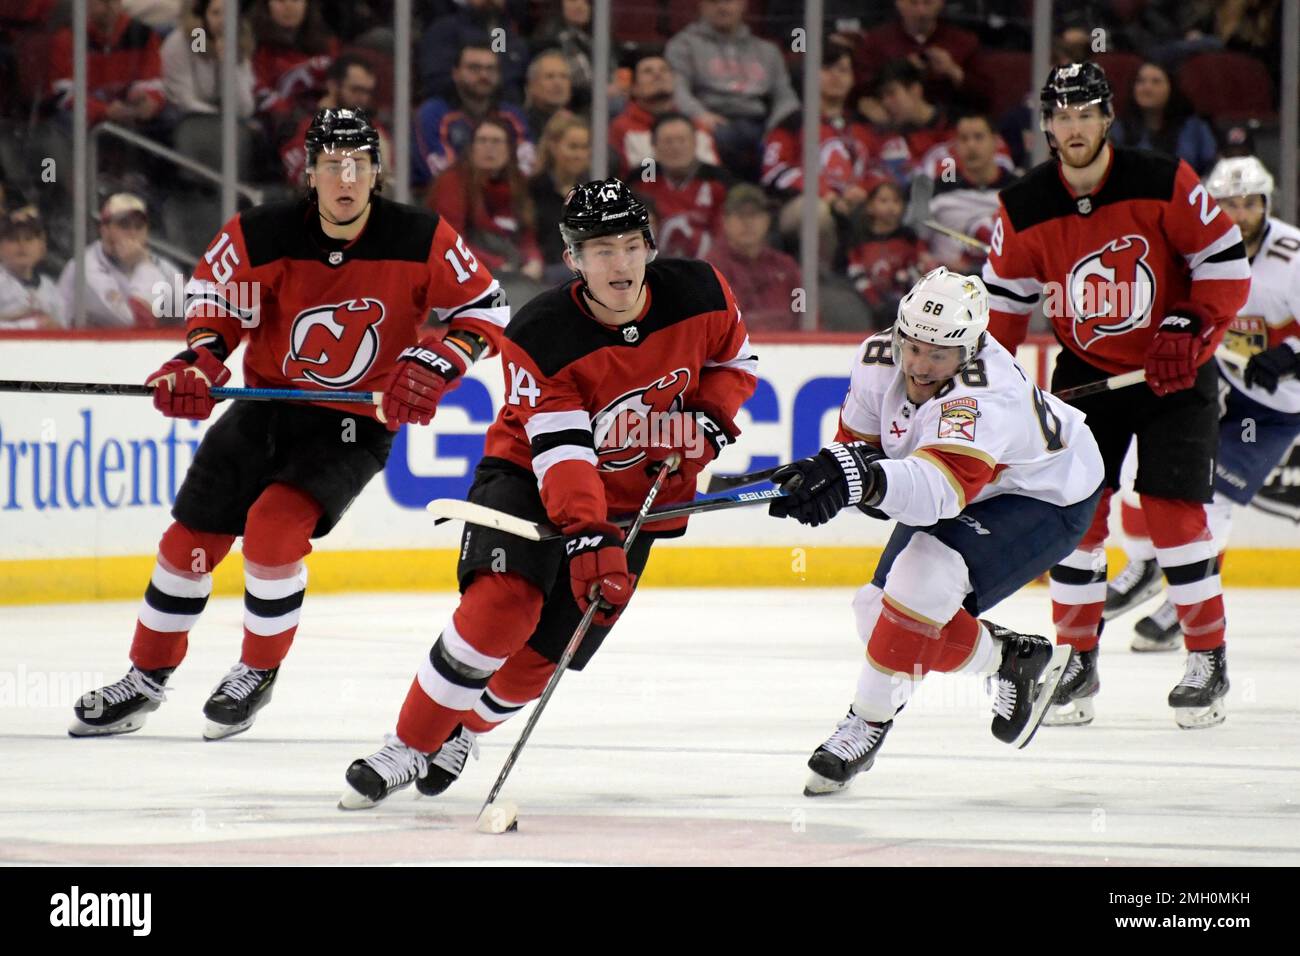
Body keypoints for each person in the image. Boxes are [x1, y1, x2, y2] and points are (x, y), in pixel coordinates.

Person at [68, 109, 509, 741]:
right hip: (266, 405)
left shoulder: (420, 234)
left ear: (378, 174)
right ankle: (145, 679)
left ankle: (255, 671)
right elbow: (216, 301)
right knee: (186, 546)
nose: (346, 177)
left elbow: (488, 308)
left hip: (354, 421)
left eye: (359, 163)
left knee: (273, 534)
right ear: (311, 173)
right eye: (332, 163)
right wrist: (202, 355)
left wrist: (442, 358)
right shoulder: (262, 230)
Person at [340, 178, 758, 809]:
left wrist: (707, 418)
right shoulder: (542, 331)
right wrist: (589, 533)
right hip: (529, 479)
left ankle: (465, 730)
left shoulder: (702, 292)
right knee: (503, 608)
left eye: (628, 245)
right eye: (599, 250)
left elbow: (735, 364)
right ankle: (407, 743)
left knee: (546, 656)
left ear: (649, 245)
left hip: (638, 495)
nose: (618, 263)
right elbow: (563, 454)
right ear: (573, 260)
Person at [980, 62, 1251, 729]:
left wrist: (1191, 324)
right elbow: (1001, 318)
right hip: (1085, 374)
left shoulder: (1161, 180)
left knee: (1171, 511)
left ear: (1106, 119)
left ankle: (1207, 659)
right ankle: (1076, 660)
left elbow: (1224, 263)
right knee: (1074, 514)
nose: (1073, 127)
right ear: (1047, 125)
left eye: (1084, 114)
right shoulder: (1022, 207)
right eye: (1060, 115)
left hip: (1175, 370)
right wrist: (994, 397)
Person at [768, 267, 1102, 795]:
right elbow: (860, 453)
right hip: (968, 484)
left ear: (970, 349)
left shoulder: (987, 393)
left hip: (1046, 495)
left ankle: (866, 722)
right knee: (875, 613)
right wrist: (824, 478)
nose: (920, 365)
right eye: (913, 346)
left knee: (920, 577)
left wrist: (858, 482)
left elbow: (937, 495)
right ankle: (1008, 659)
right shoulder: (879, 356)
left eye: (938, 354)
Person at [1107, 156, 1300, 649]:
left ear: (1266, 204)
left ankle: (1184, 601)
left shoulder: (1291, 258)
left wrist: (1287, 357)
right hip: (1221, 383)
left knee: (1214, 499)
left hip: (1277, 408)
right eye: (1228, 205)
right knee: (1139, 464)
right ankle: (1148, 563)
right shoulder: (1199, 247)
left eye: (1249, 204)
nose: (1239, 216)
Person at [761, 43, 881, 247]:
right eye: (827, 68)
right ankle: (820, 278)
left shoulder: (863, 126)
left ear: (853, 78)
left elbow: (879, 167)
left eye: (843, 70)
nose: (836, 76)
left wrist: (865, 190)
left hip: (857, 204)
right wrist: (826, 193)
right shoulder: (793, 123)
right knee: (817, 212)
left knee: (885, 207)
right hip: (802, 205)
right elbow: (774, 171)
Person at [664, 0, 800, 180]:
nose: (722, 7)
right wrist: (700, 115)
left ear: (743, 4)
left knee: (799, 130)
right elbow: (678, 90)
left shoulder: (768, 51)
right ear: (701, 5)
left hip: (760, 122)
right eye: (714, 2)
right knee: (729, 138)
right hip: (713, 121)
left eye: (729, 1)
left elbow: (785, 96)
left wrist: (776, 127)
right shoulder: (683, 45)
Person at [429, 115, 545, 301]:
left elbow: (527, 234)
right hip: (467, 274)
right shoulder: (453, 182)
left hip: (514, 269)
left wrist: (534, 259)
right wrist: (497, 264)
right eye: (482, 141)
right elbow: (450, 242)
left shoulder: (516, 183)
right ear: (471, 147)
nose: (488, 147)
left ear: (509, 149)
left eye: (496, 141)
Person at [411, 42, 533, 190]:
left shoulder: (512, 115)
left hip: (504, 200)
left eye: (490, 69)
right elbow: (438, 171)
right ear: (455, 73)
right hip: (446, 201)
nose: (483, 75)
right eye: (474, 68)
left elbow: (526, 167)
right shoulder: (433, 113)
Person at [58, 193, 184, 329]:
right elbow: (132, 322)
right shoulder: (84, 267)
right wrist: (143, 265)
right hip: (81, 347)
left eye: (139, 226)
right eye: (124, 226)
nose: (133, 233)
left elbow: (196, 311)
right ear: (104, 230)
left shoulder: (161, 266)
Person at [923, 111, 1018, 273]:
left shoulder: (1019, 191)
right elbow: (917, 241)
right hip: (949, 289)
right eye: (964, 139)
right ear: (956, 146)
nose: (971, 145)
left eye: (978, 137)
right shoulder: (937, 191)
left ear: (995, 141)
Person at [280, 53, 393, 186]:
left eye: (367, 92)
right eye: (356, 90)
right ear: (333, 85)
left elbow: (390, 174)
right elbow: (301, 175)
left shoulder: (374, 127)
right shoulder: (304, 124)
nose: (363, 99)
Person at [633, 112, 731, 260]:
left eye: (682, 140)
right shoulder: (642, 178)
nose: (676, 147)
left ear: (695, 143)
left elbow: (725, 237)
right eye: (668, 141)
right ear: (654, 145)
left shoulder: (717, 179)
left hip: (707, 266)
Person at [608, 52, 719, 179]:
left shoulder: (698, 128)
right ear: (634, 87)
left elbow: (713, 179)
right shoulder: (620, 128)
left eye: (664, 70)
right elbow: (640, 180)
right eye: (648, 71)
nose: (658, 74)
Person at [707, 184, 801, 332]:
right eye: (740, 215)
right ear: (725, 221)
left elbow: (805, 314)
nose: (748, 222)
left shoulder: (786, 267)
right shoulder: (711, 269)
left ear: (767, 220)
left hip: (788, 349)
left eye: (754, 215)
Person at [1108, 61, 1217, 176]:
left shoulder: (1194, 127)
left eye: (1156, 82)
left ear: (1171, 87)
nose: (1147, 88)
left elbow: (1212, 169)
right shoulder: (1118, 129)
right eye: (1140, 81)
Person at [249, 0, 339, 138]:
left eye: (295, 0)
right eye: (281, 1)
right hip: (281, 129)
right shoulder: (255, 49)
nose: (289, 6)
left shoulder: (328, 44)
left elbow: (343, 83)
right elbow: (259, 91)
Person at [845, 181, 930, 325]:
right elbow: (855, 272)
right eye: (884, 201)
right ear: (870, 207)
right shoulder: (859, 241)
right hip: (865, 302)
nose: (891, 207)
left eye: (896, 201)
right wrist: (874, 300)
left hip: (904, 303)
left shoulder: (909, 238)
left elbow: (918, 271)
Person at [529, 111, 591, 280]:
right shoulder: (532, 189)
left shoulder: (593, 192)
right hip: (543, 276)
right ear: (554, 147)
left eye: (584, 147)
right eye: (573, 147)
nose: (579, 155)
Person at [0, 207, 64, 330]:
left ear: (42, 247)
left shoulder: (50, 288)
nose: (22, 245)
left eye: (29, 238)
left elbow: (63, 329)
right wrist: (32, 325)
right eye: (13, 239)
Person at [521, 49, 573, 141]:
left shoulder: (578, 125)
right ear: (531, 85)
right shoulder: (519, 124)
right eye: (549, 76)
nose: (558, 83)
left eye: (564, 76)